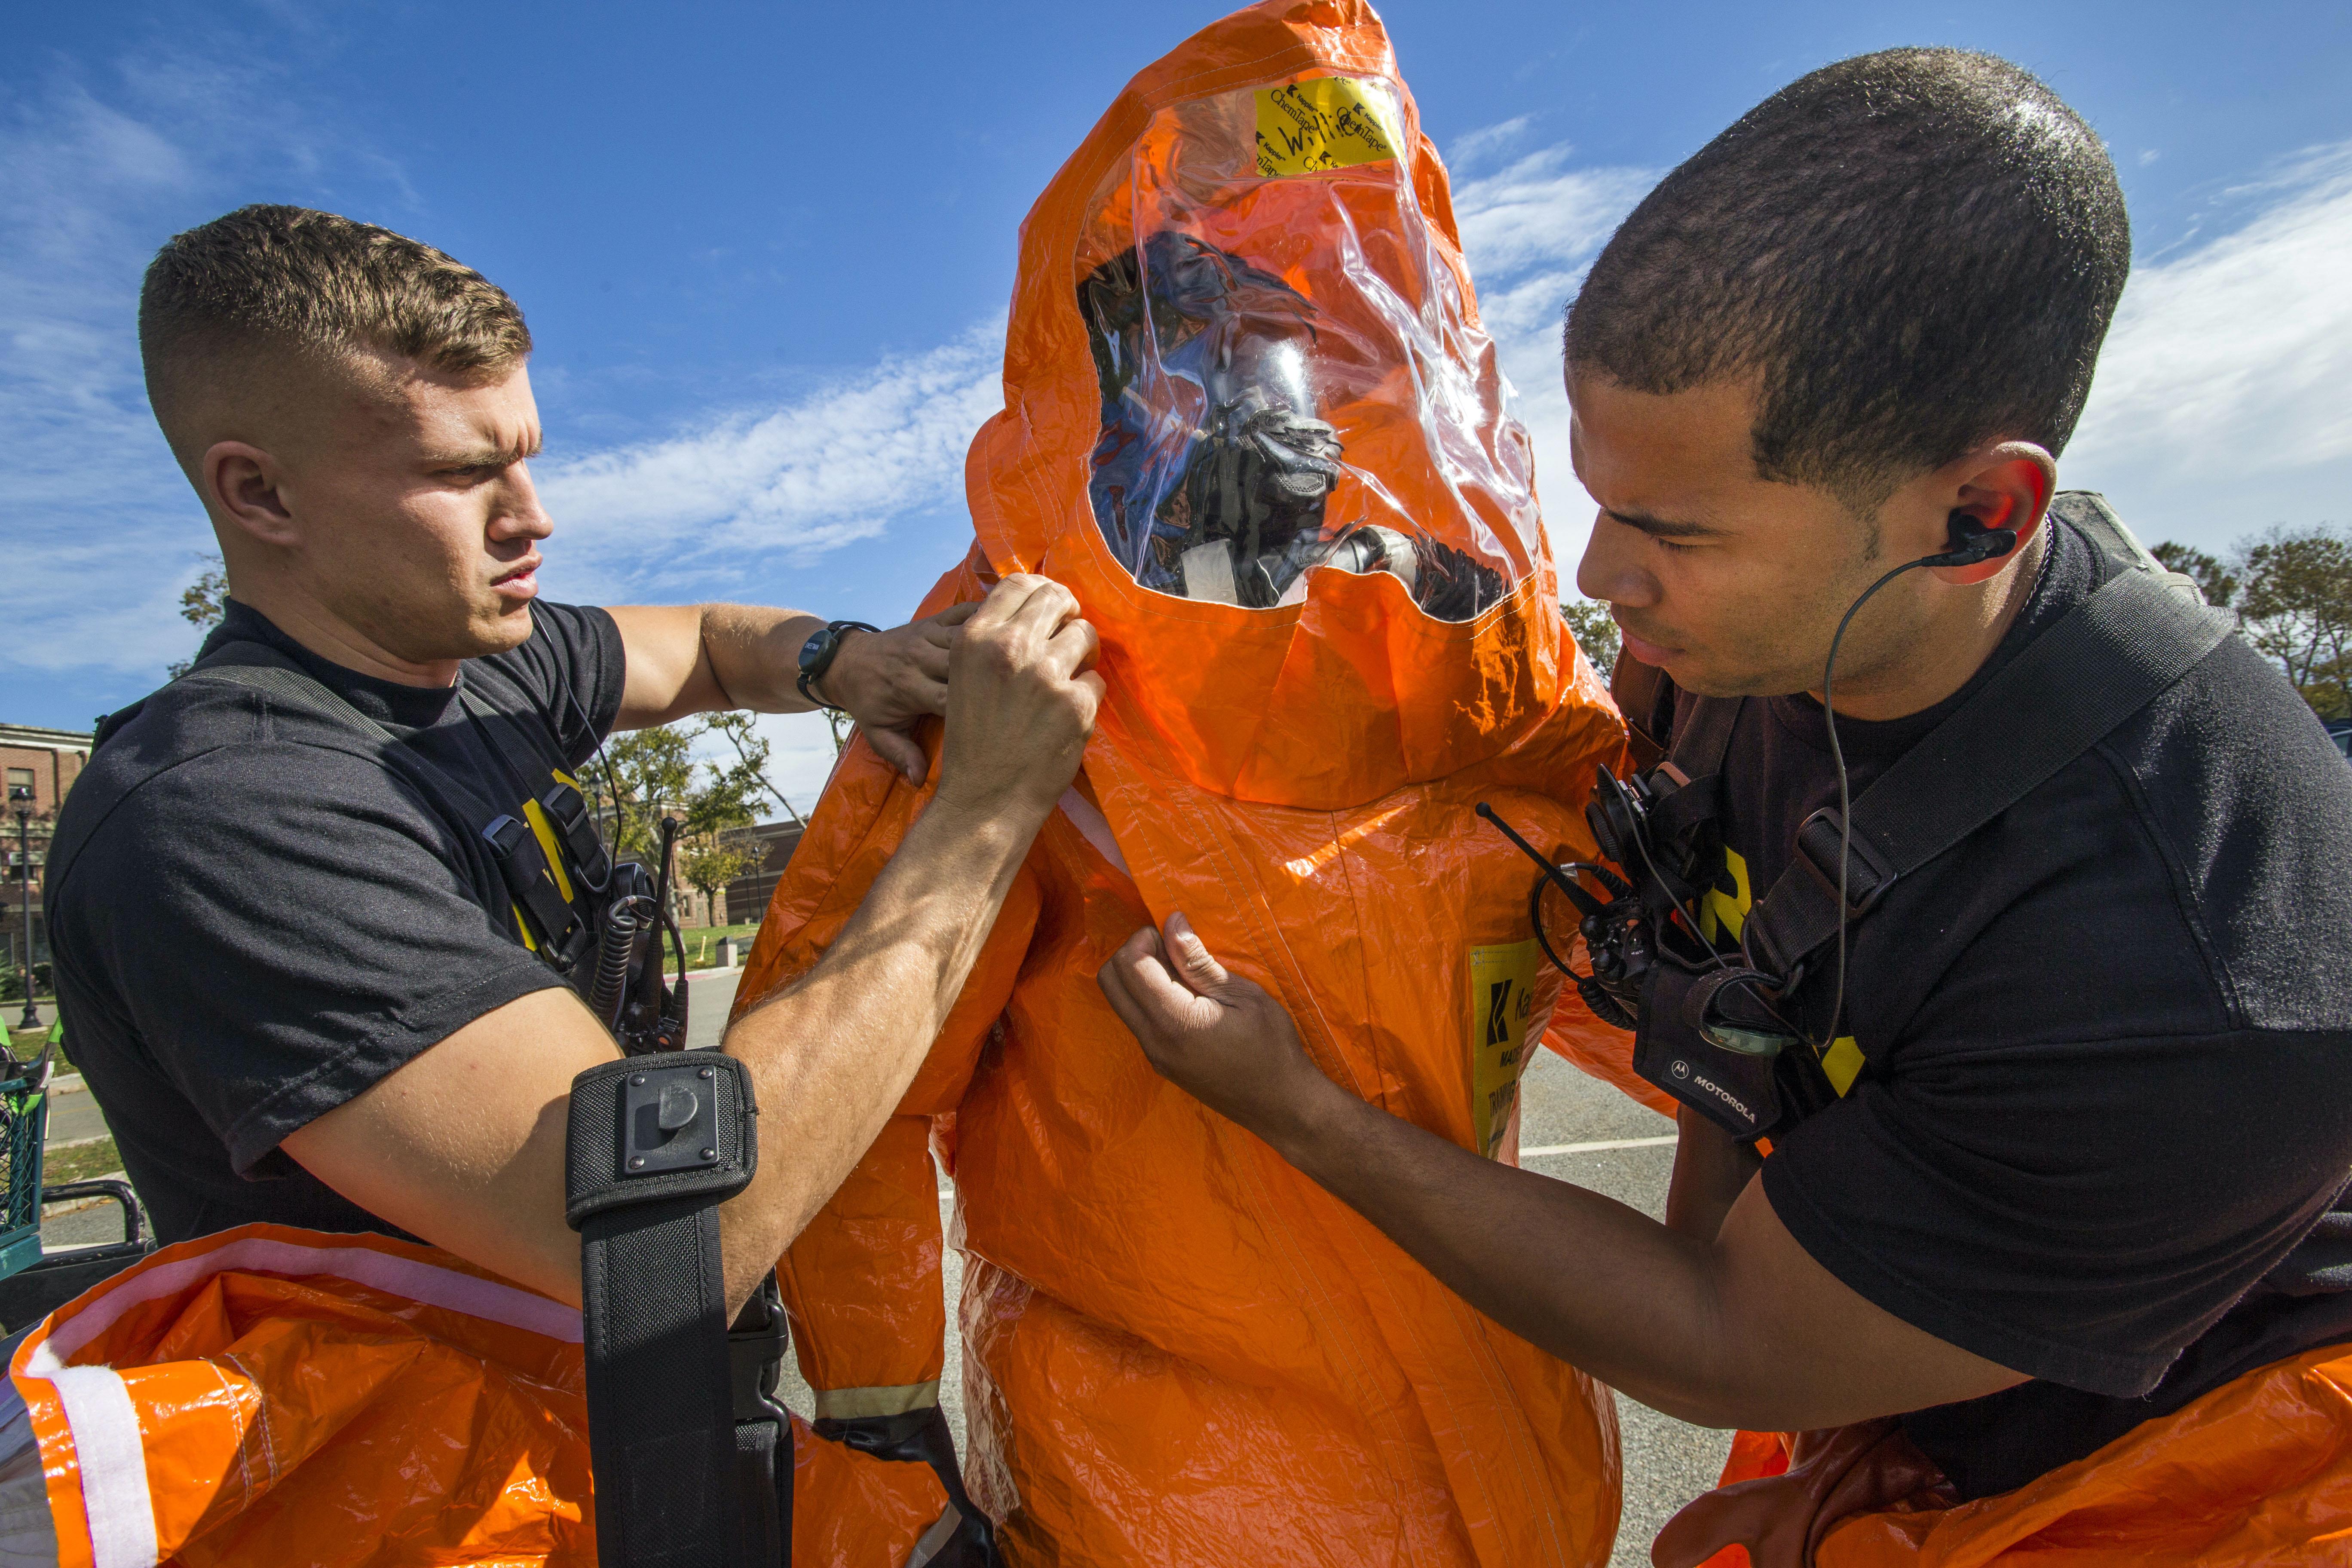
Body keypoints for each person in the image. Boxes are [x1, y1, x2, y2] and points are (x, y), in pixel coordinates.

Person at [1101, 48, 2352, 1565]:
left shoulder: (2197, 970)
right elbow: (1728, 1003)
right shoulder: (1770, 628)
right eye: (1600, 498)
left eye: (1674, 531)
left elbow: (1719, 1331)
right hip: (1926, 1362)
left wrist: (1306, 1113)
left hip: (2226, 1469)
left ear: (1982, 513)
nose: (1607, 581)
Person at [724, 6, 1630, 1563]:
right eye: (1210, 365)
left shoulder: (1477, 674)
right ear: (1126, 392)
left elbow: (1648, 986)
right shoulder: (1028, 683)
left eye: (1299, 360)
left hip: (1519, 1450)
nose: (1264, 414)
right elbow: (845, 1077)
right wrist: (885, 1434)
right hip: (1164, 1486)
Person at [45, 204, 1102, 1330]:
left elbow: (704, 645)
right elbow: (675, 1235)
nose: (532, 519)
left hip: (613, 1456)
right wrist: (985, 811)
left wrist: (848, 659)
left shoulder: (484, 660)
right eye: (463, 474)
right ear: (259, 494)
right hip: (434, 1486)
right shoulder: (226, 814)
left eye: (527, 458)